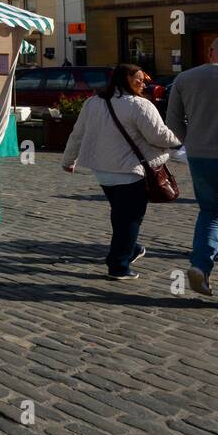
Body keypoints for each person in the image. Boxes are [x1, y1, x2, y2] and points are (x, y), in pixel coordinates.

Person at [63, 63, 182, 280]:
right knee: (130, 219)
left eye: (143, 79)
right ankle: (118, 265)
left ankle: (132, 248)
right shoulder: (139, 105)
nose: (142, 83)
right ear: (124, 79)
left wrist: (69, 159)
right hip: (129, 171)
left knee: (121, 216)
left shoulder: (93, 102)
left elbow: (77, 133)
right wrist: (179, 139)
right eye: (138, 78)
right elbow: (158, 136)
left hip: (103, 171)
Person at [166, 35, 218, 301]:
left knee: (212, 212)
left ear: (210, 52)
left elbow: (173, 122)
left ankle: (200, 266)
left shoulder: (185, 79)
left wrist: (190, 142)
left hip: (201, 155)